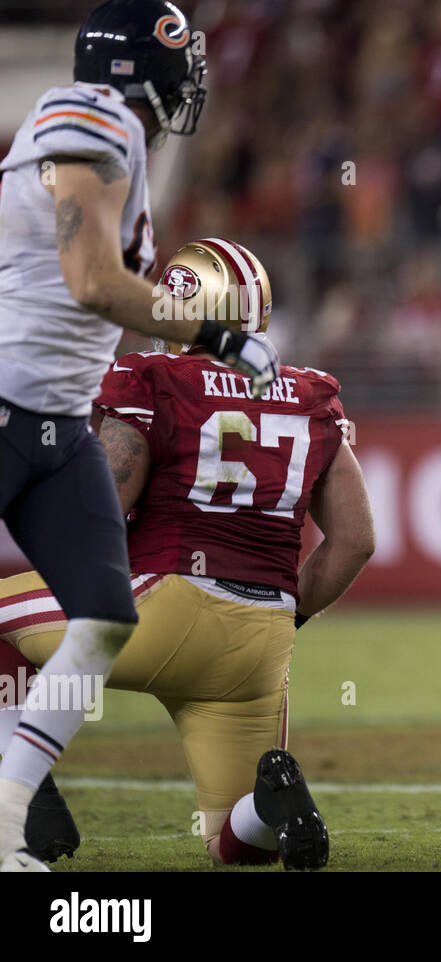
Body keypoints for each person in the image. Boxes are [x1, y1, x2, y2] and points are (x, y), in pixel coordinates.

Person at [0, 0, 279, 871]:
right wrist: (215, 333)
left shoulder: (120, 135)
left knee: (104, 619)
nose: (189, 74)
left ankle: (6, 825)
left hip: (57, 424)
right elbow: (91, 282)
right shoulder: (89, 117)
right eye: (178, 55)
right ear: (138, 64)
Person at [0, 238, 373, 870]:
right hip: (259, 645)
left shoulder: (151, 377)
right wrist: (288, 612)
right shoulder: (311, 395)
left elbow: (105, 507)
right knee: (231, 840)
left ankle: (21, 789)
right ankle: (273, 806)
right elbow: (358, 540)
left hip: (161, 608)